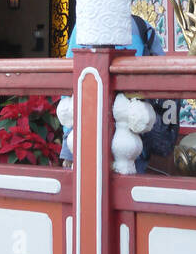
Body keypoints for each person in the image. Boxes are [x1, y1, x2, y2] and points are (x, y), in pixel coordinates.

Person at [65, 12, 178, 172]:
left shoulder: (140, 28)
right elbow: (72, 81)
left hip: (121, 128)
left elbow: (163, 74)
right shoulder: (84, 27)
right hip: (107, 128)